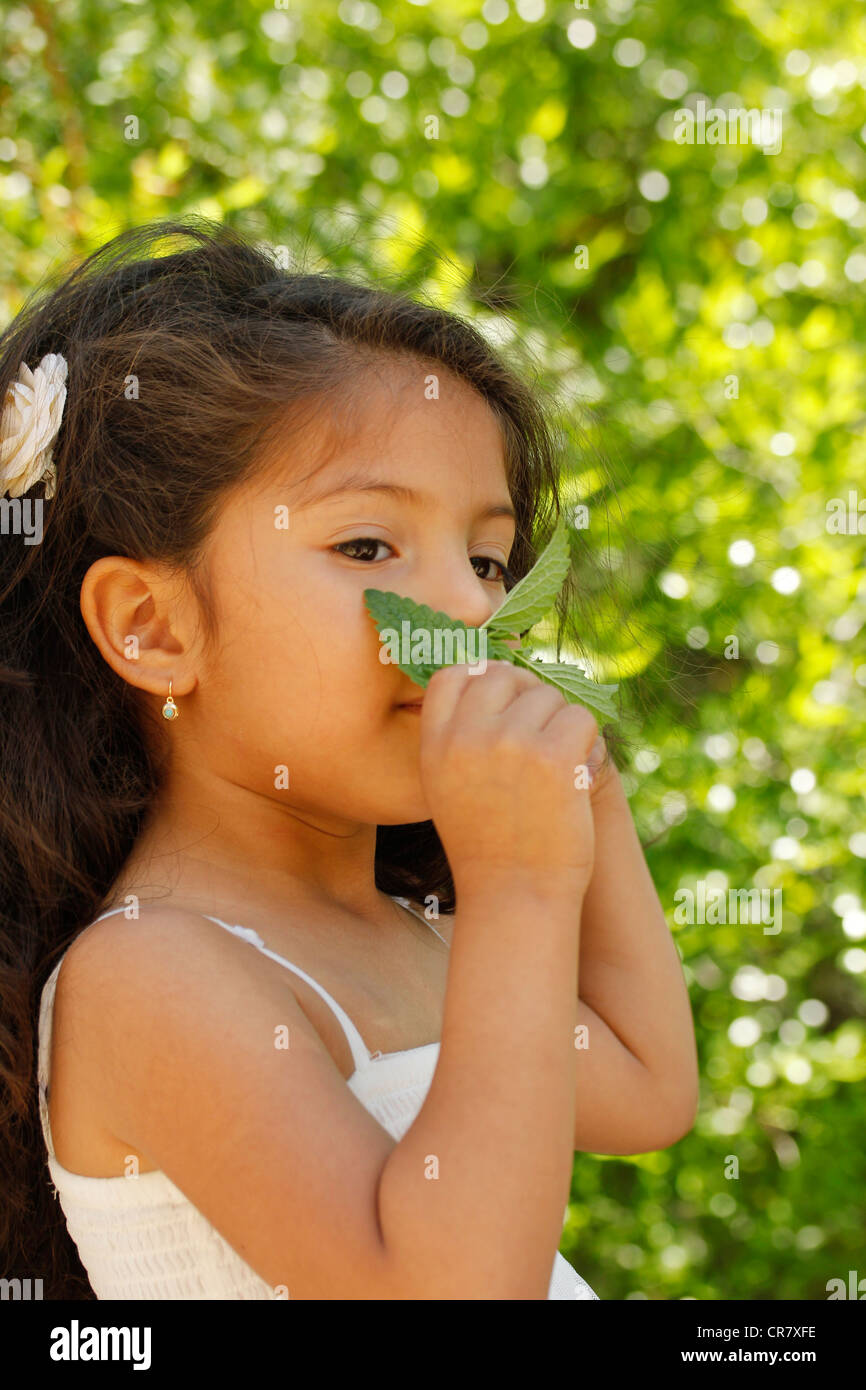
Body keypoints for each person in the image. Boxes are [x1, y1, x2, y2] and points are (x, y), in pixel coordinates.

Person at [0, 218, 698, 1299]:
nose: (471, 607)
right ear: (153, 627)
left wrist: (583, 788)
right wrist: (515, 886)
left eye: (486, 558)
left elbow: (648, 1087)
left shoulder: (418, 942)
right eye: (367, 546)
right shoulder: (151, 972)